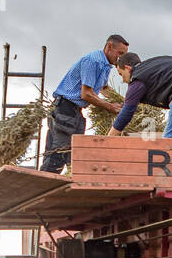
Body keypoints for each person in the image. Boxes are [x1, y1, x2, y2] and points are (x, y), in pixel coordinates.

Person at [43, 33, 129, 172]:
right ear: (109, 46)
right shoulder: (94, 61)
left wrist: (123, 102)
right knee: (58, 153)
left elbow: (103, 87)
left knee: (74, 153)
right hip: (65, 110)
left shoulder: (105, 65)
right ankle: (44, 188)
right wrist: (110, 107)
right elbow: (86, 94)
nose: (121, 58)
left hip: (74, 112)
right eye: (119, 53)